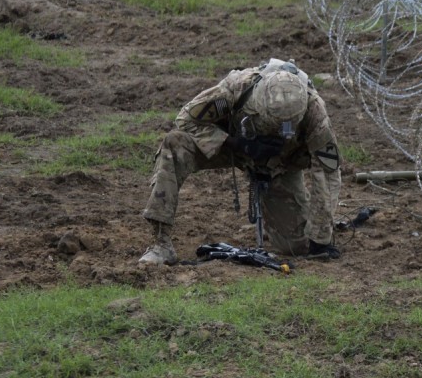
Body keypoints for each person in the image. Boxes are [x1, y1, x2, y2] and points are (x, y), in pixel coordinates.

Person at [138, 58, 342, 265]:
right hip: (232, 147)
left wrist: (321, 236)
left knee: (295, 247)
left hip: (279, 165)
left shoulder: (315, 111)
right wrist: (237, 144)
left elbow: (327, 172)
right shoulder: (237, 88)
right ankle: (160, 244)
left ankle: (299, 216)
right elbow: (186, 119)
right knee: (175, 144)